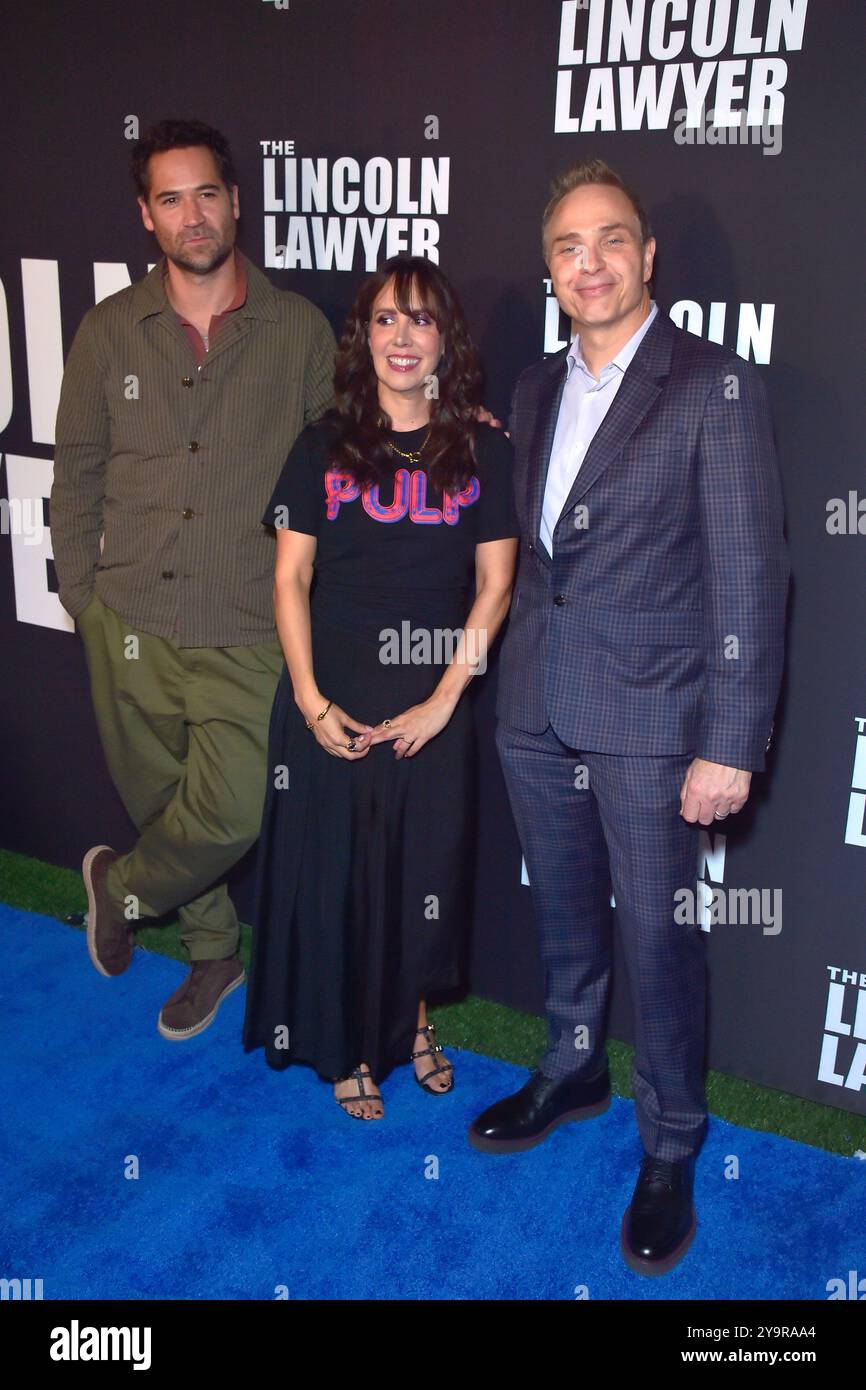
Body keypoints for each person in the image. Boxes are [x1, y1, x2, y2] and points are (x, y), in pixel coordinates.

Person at [469, 160, 789, 1276]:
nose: (589, 262)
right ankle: (569, 1065)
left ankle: (669, 1142)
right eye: (566, 246)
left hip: (655, 722)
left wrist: (727, 742)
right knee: (565, 912)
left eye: (610, 240)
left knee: (657, 940)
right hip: (533, 703)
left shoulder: (712, 387)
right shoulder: (529, 389)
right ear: (550, 270)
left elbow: (751, 578)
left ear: (646, 257)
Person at [50, 119, 337, 1039]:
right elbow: (79, 466)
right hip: (125, 609)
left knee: (228, 809)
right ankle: (214, 952)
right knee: (157, 798)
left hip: (248, 619)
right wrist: (80, 594)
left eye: (207, 192)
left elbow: (343, 462)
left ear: (236, 201)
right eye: (170, 198)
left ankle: (119, 889)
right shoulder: (108, 330)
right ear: (146, 216)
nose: (193, 213)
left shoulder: (296, 330)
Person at [242, 254, 519, 1119]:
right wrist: (312, 700)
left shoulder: (483, 448)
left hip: (436, 700)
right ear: (363, 336)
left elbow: (496, 587)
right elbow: (289, 580)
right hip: (336, 694)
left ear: (447, 340)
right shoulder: (321, 442)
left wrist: (445, 701)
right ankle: (349, 1043)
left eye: (422, 320)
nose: (403, 337)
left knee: (422, 868)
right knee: (343, 873)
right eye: (386, 319)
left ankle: (413, 1024)